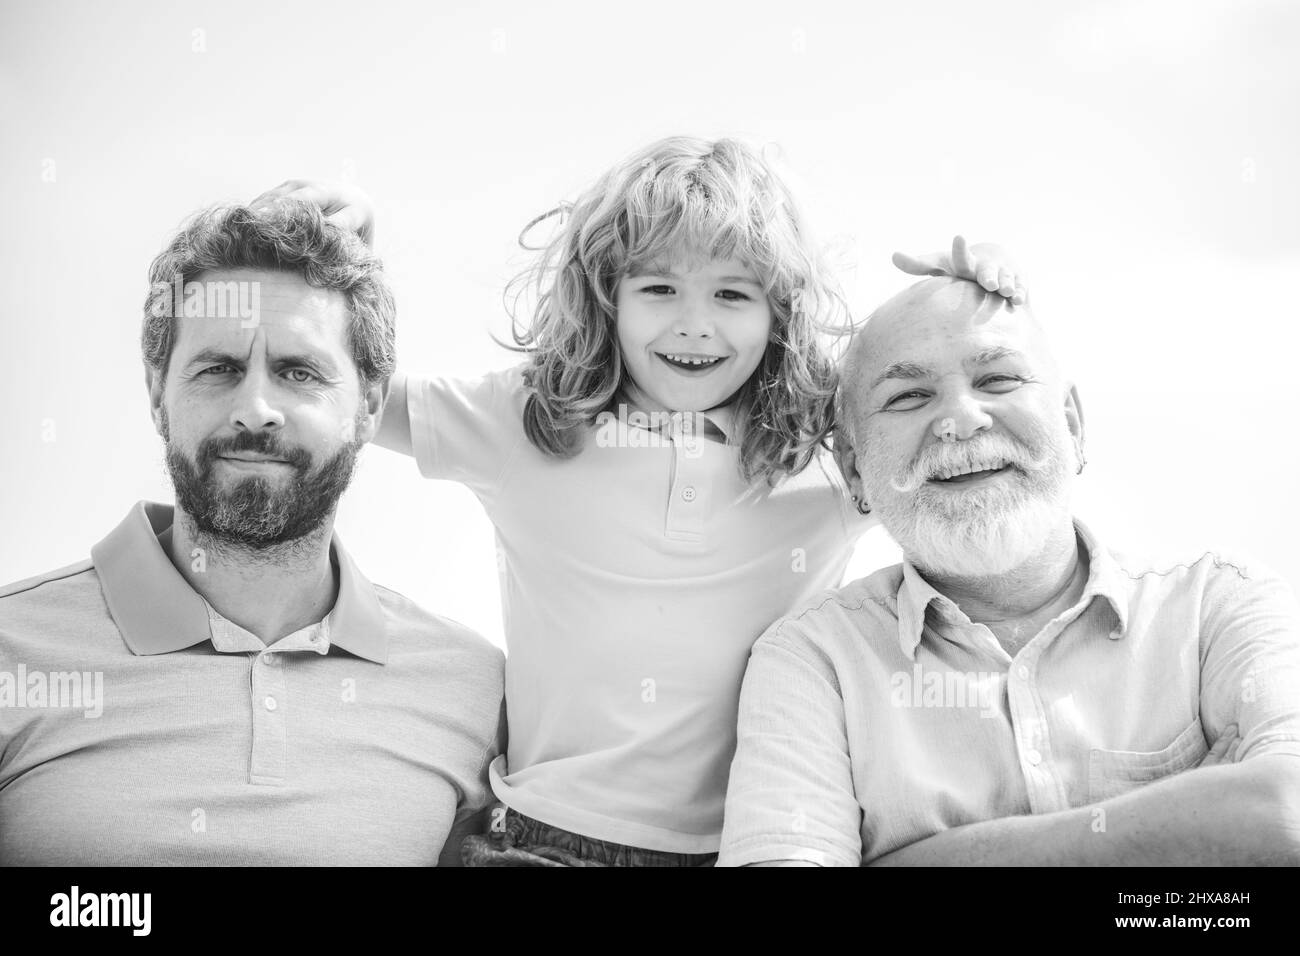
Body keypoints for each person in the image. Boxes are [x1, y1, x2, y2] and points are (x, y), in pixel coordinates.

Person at [250, 136, 1029, 865]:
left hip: (760, 843)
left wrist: (977, 306)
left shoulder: (824, 449)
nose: (696, 326)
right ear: (607, 299)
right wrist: (329, 268)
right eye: (659, 288)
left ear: (778, 312)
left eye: (733, 294)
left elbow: (963, 442)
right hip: (539, 840)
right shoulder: (527, 419)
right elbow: (345, 396)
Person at [718, 275, 1300, 866]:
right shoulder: (812, 662)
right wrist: (1199, 821)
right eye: (908, 397)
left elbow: (1287, 814)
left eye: (998, 379)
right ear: (854, 469)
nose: (963, 419)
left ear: (1072, 423)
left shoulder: (1219, 602)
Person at [0, 201, 504, 866]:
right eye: (220, 369)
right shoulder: (15, 656)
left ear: (371, 406)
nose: (255, 410)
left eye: (299, 371)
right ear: (157, 390)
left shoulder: (476, 691)